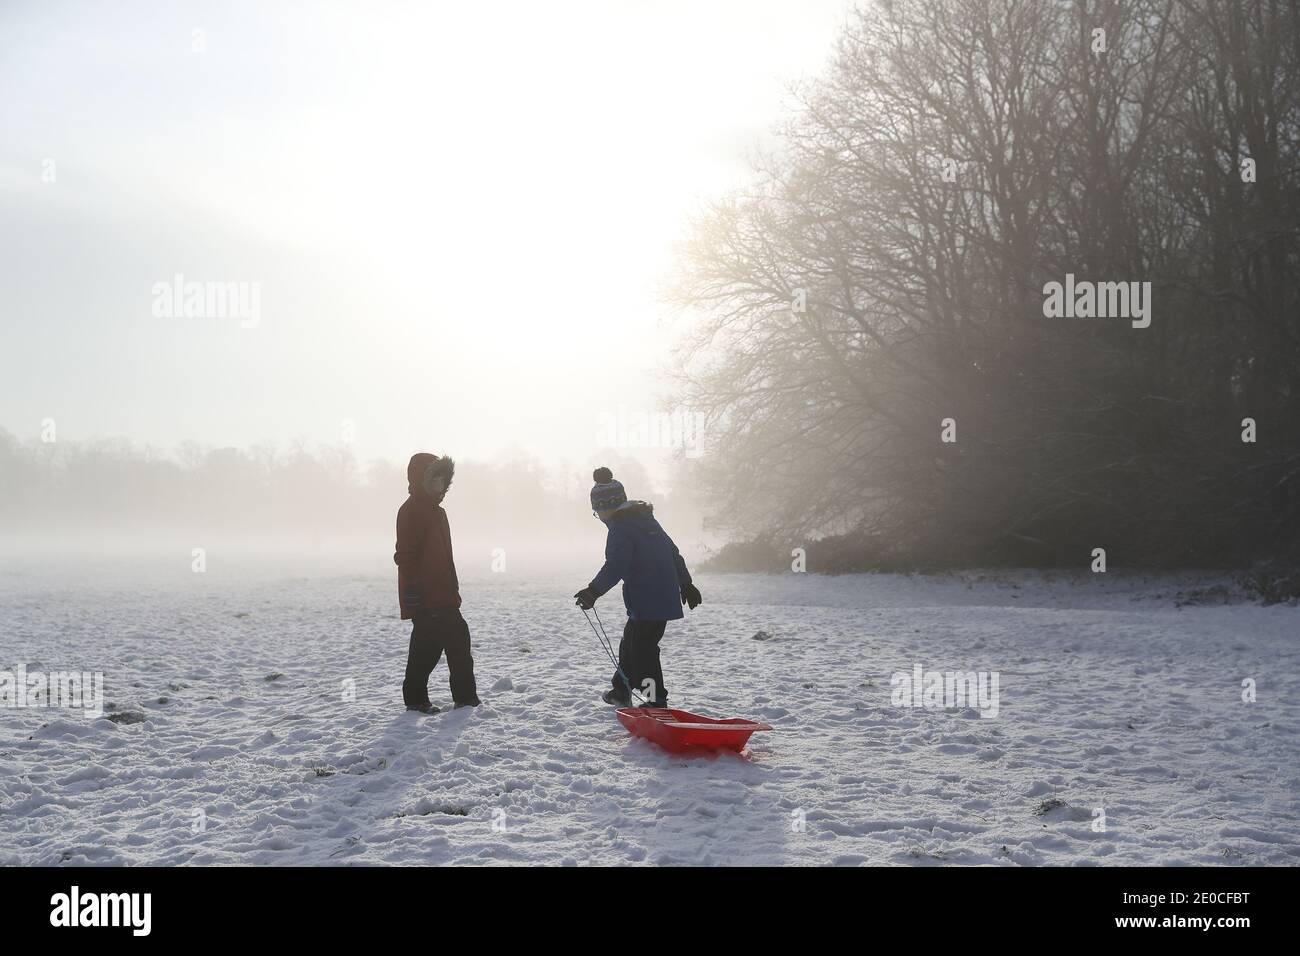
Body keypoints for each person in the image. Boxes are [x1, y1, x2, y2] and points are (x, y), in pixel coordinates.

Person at [574, 467, 702, 707]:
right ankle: (621, 690)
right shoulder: (646, 521)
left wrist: (593, 591)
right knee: (631, 643)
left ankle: (655, 699)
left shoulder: (620, 529)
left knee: (643, 651)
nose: (599, 517)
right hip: (660, 596)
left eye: (597, 512)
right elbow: (673, 553)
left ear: (605, 508)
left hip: (647, 599)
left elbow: (615, 566)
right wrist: (686, 584)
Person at [394, 452, 480, 712]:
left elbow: (443, 557)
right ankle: (460, 699)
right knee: (448, 644)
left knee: (433, 648)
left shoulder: (438, 512)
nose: (439, 487)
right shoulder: (410, 511)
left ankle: (423, 699)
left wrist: (452, 588)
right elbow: (405, 556)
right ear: (420, 480)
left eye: (443, 481)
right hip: (426, 597)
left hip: (444, 594)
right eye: (434, 481)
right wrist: (413, 593)